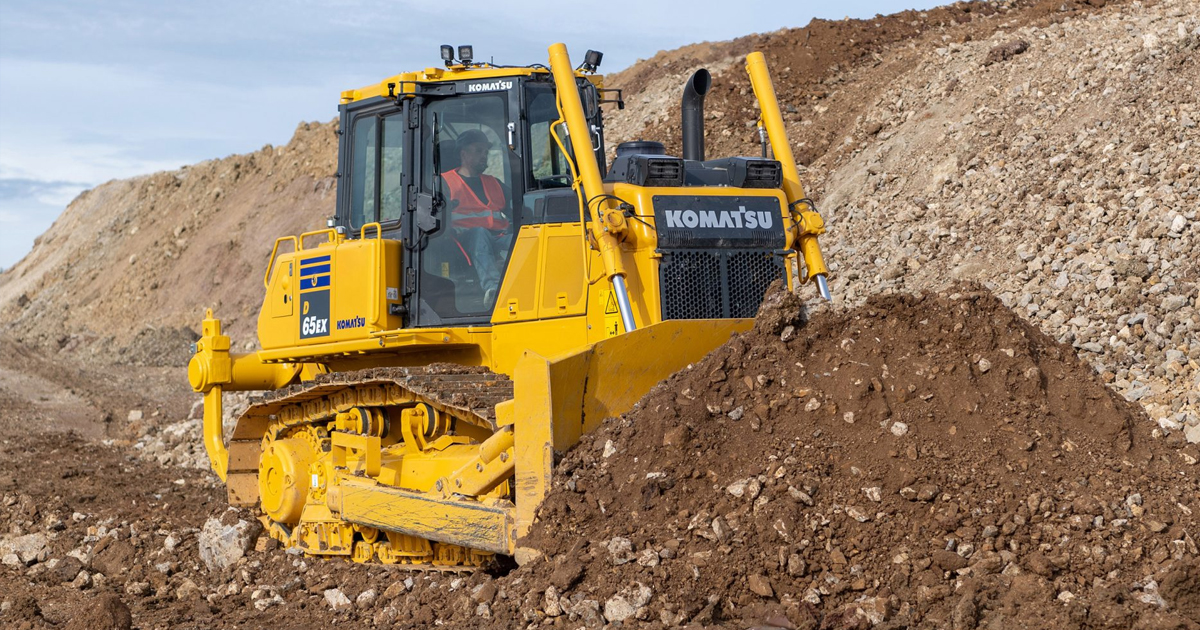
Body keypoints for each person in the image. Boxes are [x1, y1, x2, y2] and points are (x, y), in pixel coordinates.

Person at [440, 129, 510, 303]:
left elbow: (520, 208)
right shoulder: (445, 182)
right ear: (463, 154)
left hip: (497, 239)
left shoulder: (494, 183)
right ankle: (493, 289)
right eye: (478, 151)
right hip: (464, 242)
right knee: (479, 233)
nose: (484, 155)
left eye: (486, 152)